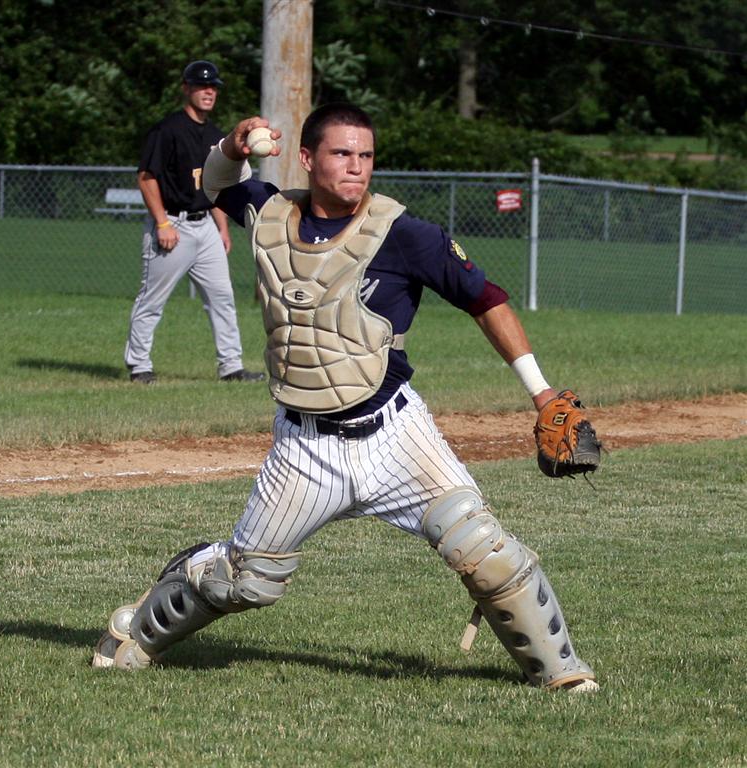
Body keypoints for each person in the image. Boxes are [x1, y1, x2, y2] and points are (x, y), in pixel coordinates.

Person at [94, 103, 599, 692]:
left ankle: (560, 673)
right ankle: (142, 627)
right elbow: (214, 181)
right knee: (245, 581)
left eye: (366, 155)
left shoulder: (404, 234)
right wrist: (234, 142)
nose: (357, 166)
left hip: (396, 434)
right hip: (304, 446)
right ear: (307, 159)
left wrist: (541, 393)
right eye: (341, 153)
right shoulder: (270, 212)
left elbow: (486, 300)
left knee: (486, 553)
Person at [124, 60, 264, 384]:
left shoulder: (215, 136)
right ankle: (139, 365)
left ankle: (231, 366)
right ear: (186, 88)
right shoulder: (167, 130)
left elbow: (215, 186)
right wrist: (162, 223)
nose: (208, 91)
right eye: (201, 85)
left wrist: (223, 228)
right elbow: (146, 177)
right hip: (173, 224)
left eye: (213, 86)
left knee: (222, 297)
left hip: (206, 227)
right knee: (152, 300)